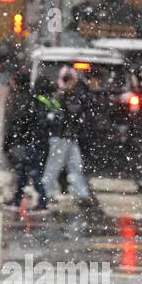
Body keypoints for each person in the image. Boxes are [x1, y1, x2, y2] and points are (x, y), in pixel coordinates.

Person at [40, 67, 93, 206]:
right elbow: (55, 117)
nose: (71, 83)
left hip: (69, 137)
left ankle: (82, 194)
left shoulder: (74, 96)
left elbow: (79, 114)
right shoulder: (59, 97)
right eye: (67, 80)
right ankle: (47, 193)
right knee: (54, 166)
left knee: (75, 166)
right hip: (60, 137)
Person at [3, 71, 48, 209]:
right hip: (28, 141)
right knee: (25, 172)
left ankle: (41, 201)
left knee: (30, 172)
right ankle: (19, 199)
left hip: (24, 142)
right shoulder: (31, 97)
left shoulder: (20, 98)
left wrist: (9, 140)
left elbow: (15, 122)